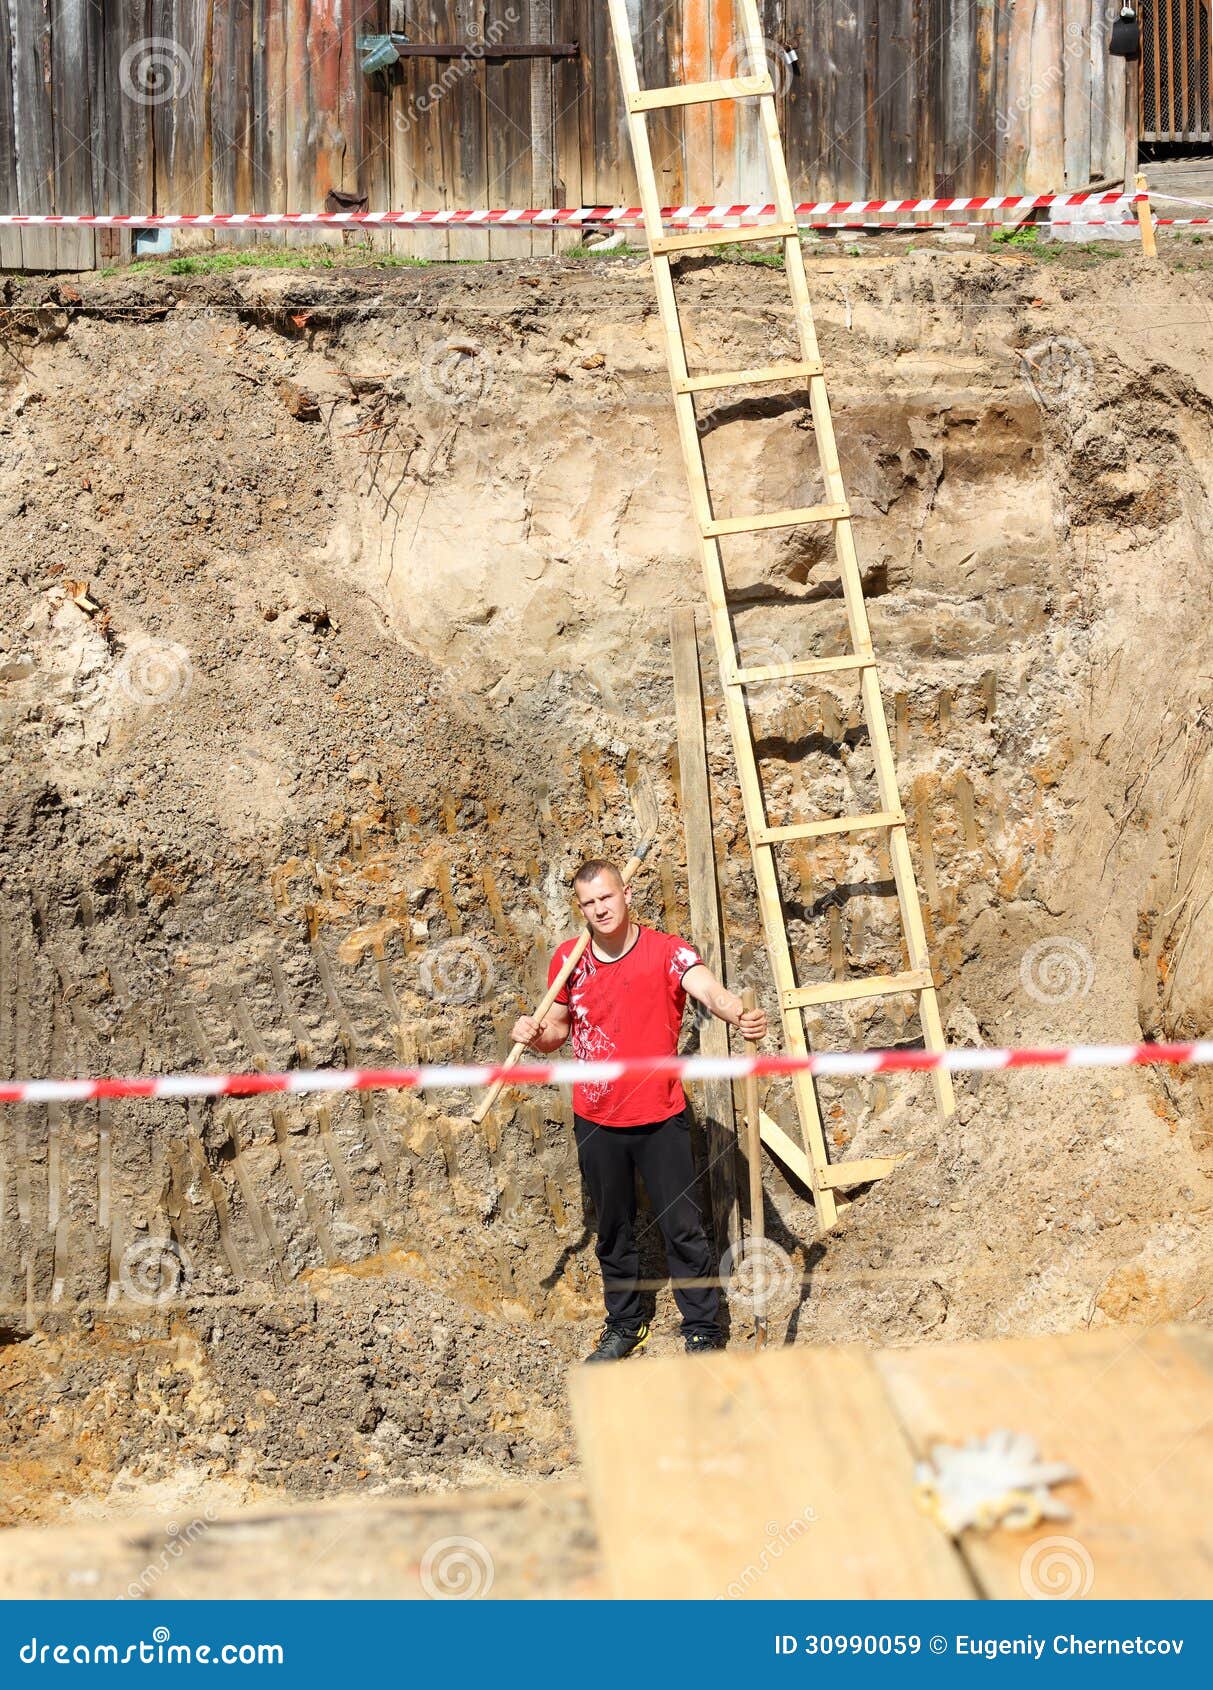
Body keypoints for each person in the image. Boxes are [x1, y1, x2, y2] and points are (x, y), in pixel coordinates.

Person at [511, 858, 768, 1363]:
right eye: (588, 903)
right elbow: (558, 1032)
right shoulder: (570, 959)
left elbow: (706, 988)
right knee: (613, 1228)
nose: (599, 909)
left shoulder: (667, 952)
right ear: (580, 908)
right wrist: (534, 1035)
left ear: (625, 893)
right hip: (595, 1116)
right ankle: (627, 1324)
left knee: (683, 1227)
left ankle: (702, 1328)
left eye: (606, 897)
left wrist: (737, 1011)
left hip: (659, 1114)